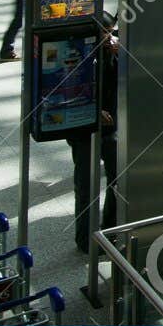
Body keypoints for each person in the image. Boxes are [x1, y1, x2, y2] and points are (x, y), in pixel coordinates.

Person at [69, 14, 119, 254]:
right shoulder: (79, 57)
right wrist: (94, 110)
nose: (108, 37)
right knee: (86, 185)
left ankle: (110, 228)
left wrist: (120, 55)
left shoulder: (115, 51)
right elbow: (70, 91)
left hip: (112, 128)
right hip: (85, 130)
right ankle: (85, 238)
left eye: (111, 31)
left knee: (117, 178)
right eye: (104, 32)